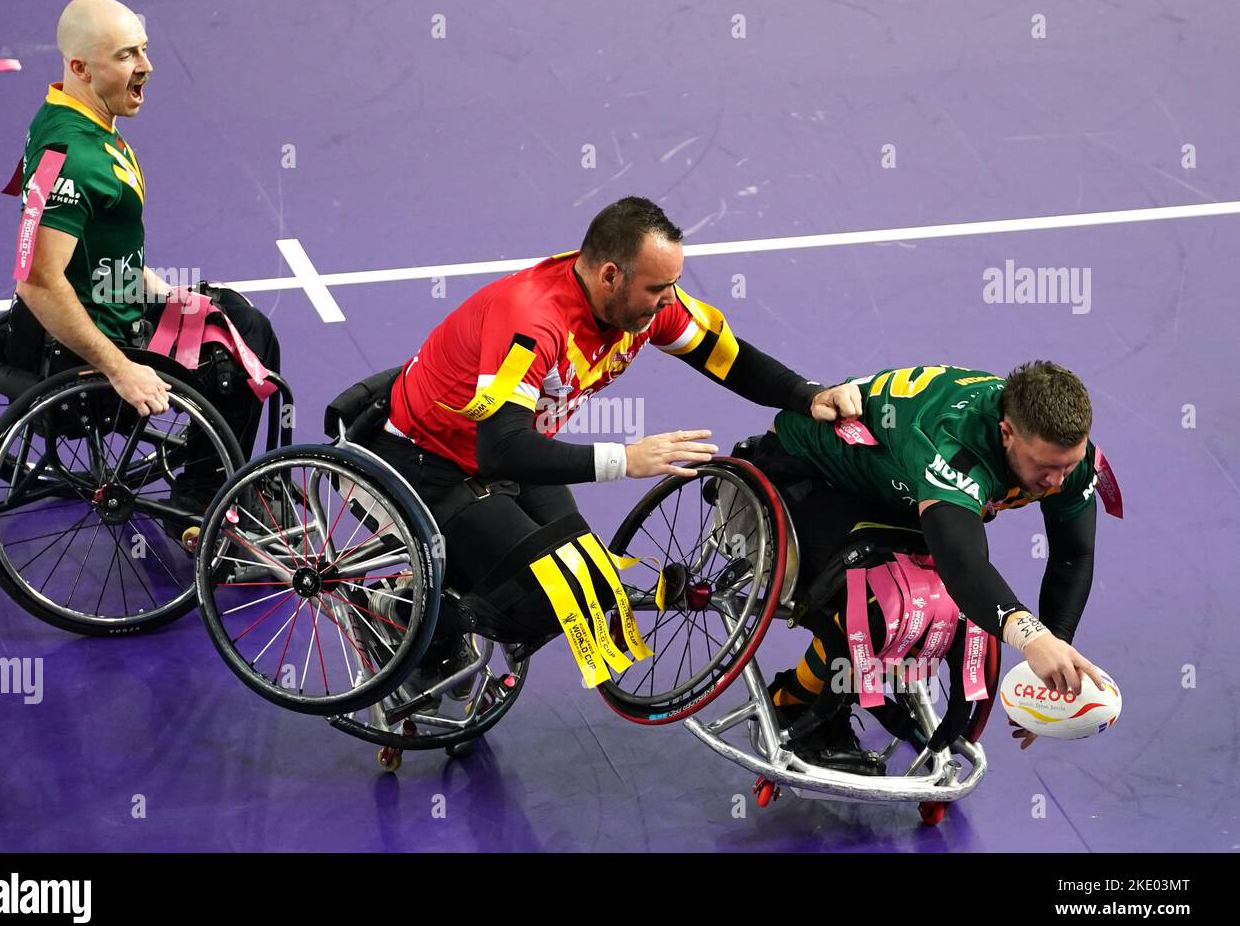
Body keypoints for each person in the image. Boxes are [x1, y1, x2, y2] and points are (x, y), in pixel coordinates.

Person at [329, 196, 862, 690]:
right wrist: (625, 459)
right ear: (611, 275)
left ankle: (449, 597)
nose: (670, 300)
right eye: (658, 288)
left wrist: (804, 394)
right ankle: (404, 613)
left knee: (592, 581)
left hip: (511, 454)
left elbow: (724, 356)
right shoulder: (532, 322)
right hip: (427, 462)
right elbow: (500, 449)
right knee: (551, 599)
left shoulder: (643, 305)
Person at [741, 360, 1116, 772]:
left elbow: (1071, 554)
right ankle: (792, 701)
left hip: (894, 487)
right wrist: (1030, 638)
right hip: (811, 469)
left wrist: (1054, 645)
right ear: (1006, 433)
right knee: (874, 606)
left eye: (1068, 465)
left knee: (944, 613)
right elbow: (963, 564)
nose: (1059, 482)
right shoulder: (953, 444)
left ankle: (855, 676)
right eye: (1046, 468)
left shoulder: (1064, 455)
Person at [4, 0, 279, 505]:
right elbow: (38, 281)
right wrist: (120, 368)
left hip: (115, 295)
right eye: (127, 55)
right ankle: (201, 500)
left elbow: (101, 252)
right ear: (81, 67)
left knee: (241, 317)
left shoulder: (72, 115)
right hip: (98, 334)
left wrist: (166, 295)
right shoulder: (73, 156)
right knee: (233, 368)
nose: (147, 67)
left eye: (144, 50)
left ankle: (234, 478)